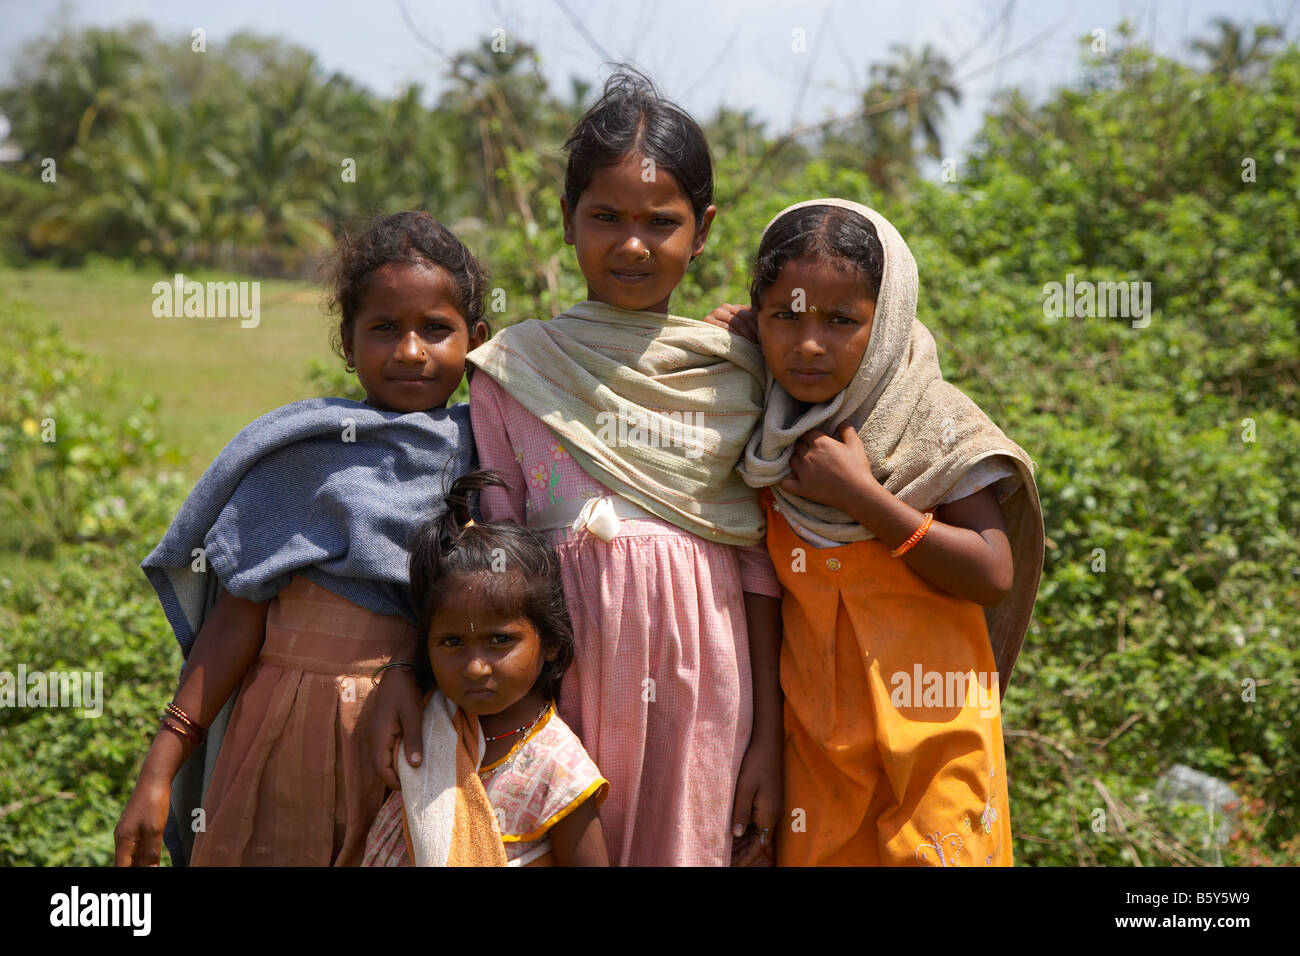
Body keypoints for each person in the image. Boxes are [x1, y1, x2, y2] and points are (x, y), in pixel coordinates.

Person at [366, 69, 785, 867]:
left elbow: (758, 565)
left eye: (661, 221)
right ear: (566, 220)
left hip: (704, 679)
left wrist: (768, 734)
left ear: (703, 230)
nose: (632, 243)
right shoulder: (517, 369)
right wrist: (412, 667)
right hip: (566, 675)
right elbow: (490, 558)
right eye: (605, 217)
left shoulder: (736, 375)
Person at [114, 211, 488, 866]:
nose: (409, 351)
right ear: (347, 343)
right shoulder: (303, 452)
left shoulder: (488, 452)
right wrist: (160, 768)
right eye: (383, 329)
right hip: (281, 735)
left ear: (476, 338)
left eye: (436, 329)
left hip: (417, 747)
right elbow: (236, 621)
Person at [710, 199, 1045, 866]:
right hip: (818, 753)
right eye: (787, 317)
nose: (809, 344)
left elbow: (990, 572)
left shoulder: (930, 420)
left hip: (937, 743)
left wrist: (862, 498)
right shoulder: (765, 429)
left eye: (842, 321)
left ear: (886, 320)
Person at [362, 471, 610, 867]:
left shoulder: (559, 771)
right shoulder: (428, 723)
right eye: (452, 643)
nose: (476, 668)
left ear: (550, 645)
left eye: (500, 641)